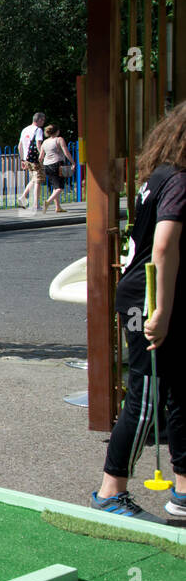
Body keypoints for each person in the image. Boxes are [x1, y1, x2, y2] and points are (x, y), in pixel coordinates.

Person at [90, 102, 186, 522]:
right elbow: (163, 245)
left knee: (181, 393)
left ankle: (182, 490)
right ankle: (110, 491)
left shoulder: (160, 175)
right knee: (146, 397)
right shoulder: (180, 180)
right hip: (148, 298)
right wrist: (161, 310)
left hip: (152, 294)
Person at [40, 125, 73, 213]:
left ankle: (58, 207)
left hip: (47, 165)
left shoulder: (45, 142)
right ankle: (48, 202)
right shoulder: (59, 139)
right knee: (60, 187)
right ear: (57, 131)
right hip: (57, 164)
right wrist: (73, 162)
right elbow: (66, 152)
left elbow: (40, 157)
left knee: (55, 186)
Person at [17, 111, 45, 208]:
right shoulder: (38, 130)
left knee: (33, 179)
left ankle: (23, 197)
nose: (43, 122)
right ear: (40, 120)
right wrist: (42, 156)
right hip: (35, 159)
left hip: (26, 159)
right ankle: (36, 204)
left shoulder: (24, 130)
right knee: (38, 180)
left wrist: (22, 160)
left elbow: (19, 146)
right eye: (43, 120)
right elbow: (38, 144)